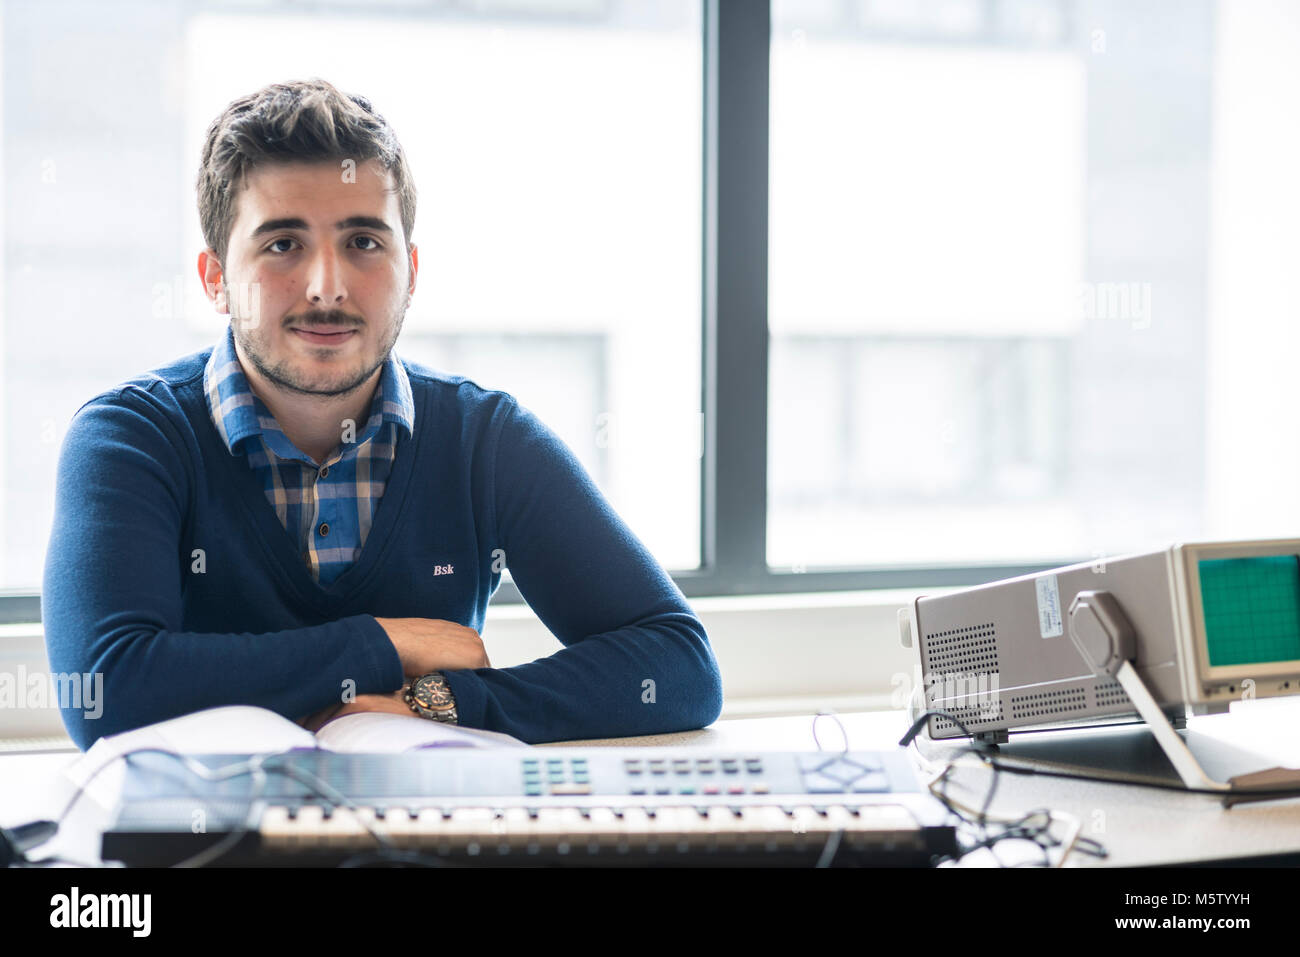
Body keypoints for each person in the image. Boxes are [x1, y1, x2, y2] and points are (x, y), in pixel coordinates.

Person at [41, 78, 722, 751]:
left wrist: (443, 702)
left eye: (363, 242)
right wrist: (389, 641)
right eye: (283, 244)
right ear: (216, 277)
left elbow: (679, 665)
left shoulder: (483, 439)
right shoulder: (131, 439)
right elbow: (104, 690)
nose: (327, 286)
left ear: (411, 270)